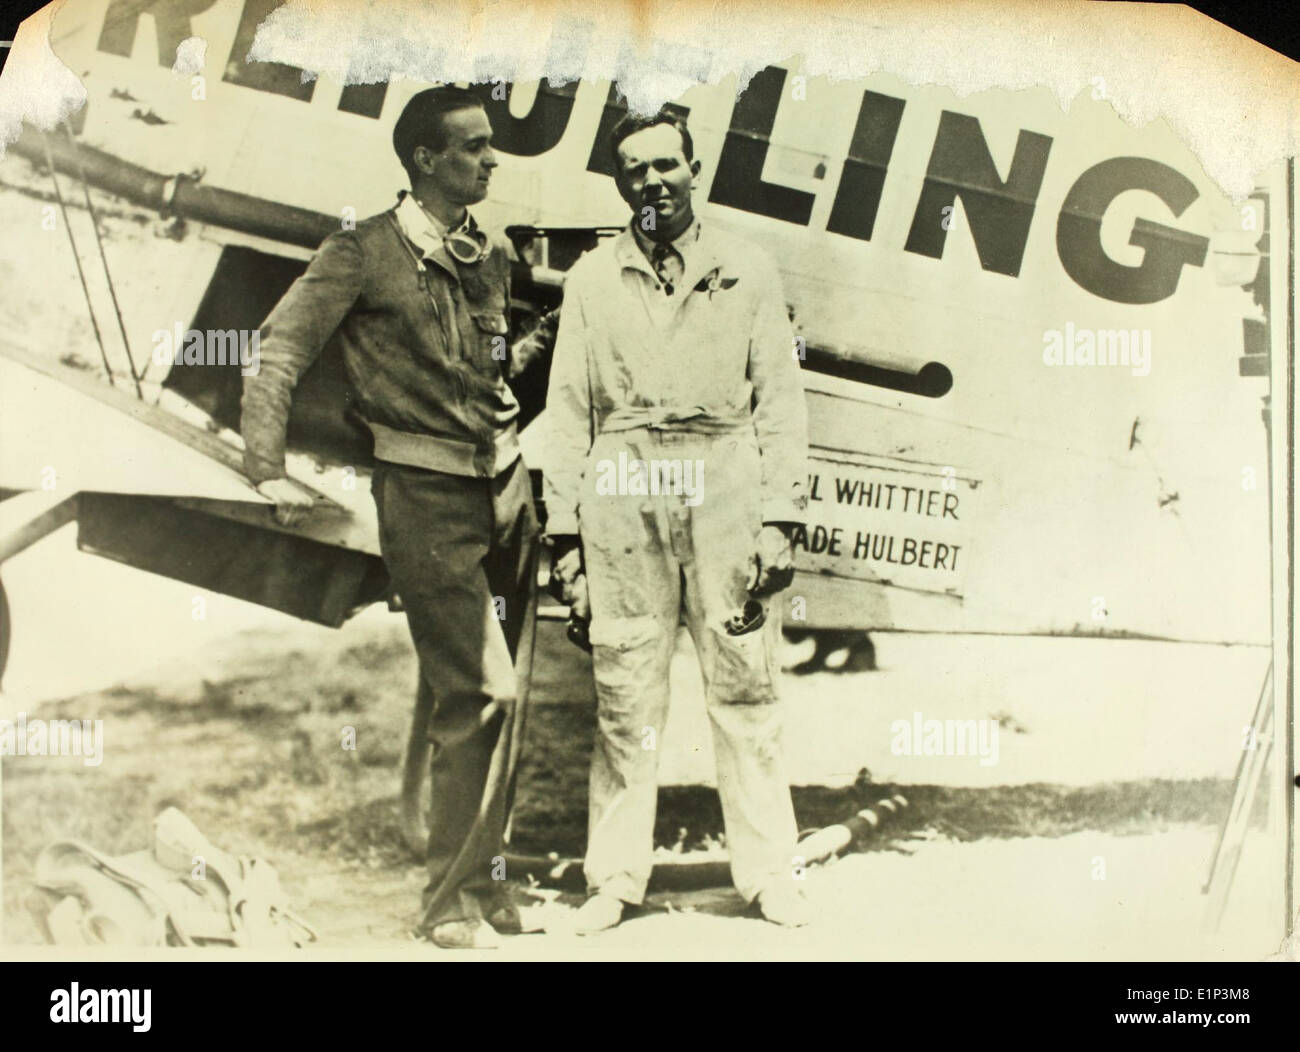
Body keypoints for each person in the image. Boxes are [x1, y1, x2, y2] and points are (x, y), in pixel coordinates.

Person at [240, 86, 538, 950]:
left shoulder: (491, 254)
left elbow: (485, 367)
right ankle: (446, 903)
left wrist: (530, 351)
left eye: (490, 147)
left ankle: (491, 879)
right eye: (474, 148)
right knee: (479, 692)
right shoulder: (361, 252)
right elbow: (280, 345)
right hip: (426, 498)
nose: (491, 161)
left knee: (506, 706)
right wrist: (264, 466)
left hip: (508, 488)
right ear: (425, 160)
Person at [543, 111, 812, 932]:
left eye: (667, 165)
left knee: (746, 685)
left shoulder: (749, 269)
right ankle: (615, 879)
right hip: (624, 490)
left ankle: (770, 874)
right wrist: (565, 538)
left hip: (723, 483)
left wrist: (778, 520)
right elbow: (567, 414)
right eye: (635, 170)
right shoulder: (591, 279)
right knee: (625, 689)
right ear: (620, 183)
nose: (652, 181)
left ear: (694, 170)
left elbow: (781, 402)